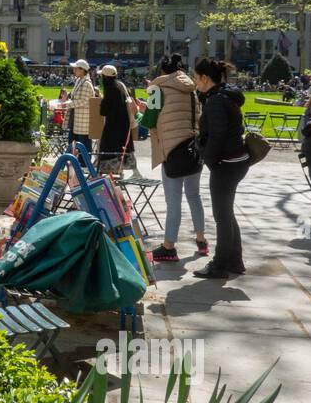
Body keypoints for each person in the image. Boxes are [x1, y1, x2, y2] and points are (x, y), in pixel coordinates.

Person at [147, 54, 207, 262]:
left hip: (172, 149)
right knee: (194, 196)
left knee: (173, 201)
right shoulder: (191, 89)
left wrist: (141, 108)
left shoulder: (157, 88)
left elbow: (149, 120)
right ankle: (201, 240)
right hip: (193, 149)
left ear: (163, 71)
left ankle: (169, 246)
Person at [193, 57, 247, 279]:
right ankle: (234, 260)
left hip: (226, 163)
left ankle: (221, 264)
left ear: (205, 78)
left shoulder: (216, 101)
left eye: (196, 77)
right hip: (235, 161)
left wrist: (209, 159)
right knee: (227, 213)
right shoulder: (225, 96)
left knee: (221, 215)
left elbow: (217, 135)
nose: (194, 82)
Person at [97, 64, 134, 174]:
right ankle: (119, 171)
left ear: (105, 77)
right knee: (120, 149)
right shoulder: (120, 86)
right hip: (124, 125)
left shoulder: (110, 90)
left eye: (102, 76)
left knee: (107, 149)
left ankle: (106, 172)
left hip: (112, 126)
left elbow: (103, 111)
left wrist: (102, 100)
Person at [66, 59, 95, 156]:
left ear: (82, 70)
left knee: (84, 143)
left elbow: (83, 101)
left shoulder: (86, 83)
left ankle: (84, 164)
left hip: (83, 120)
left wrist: (68, 104)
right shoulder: (79, 80)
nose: (74, 70)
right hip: (76, 118)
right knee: (73, 142)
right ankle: (74, 163)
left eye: (76, 68)